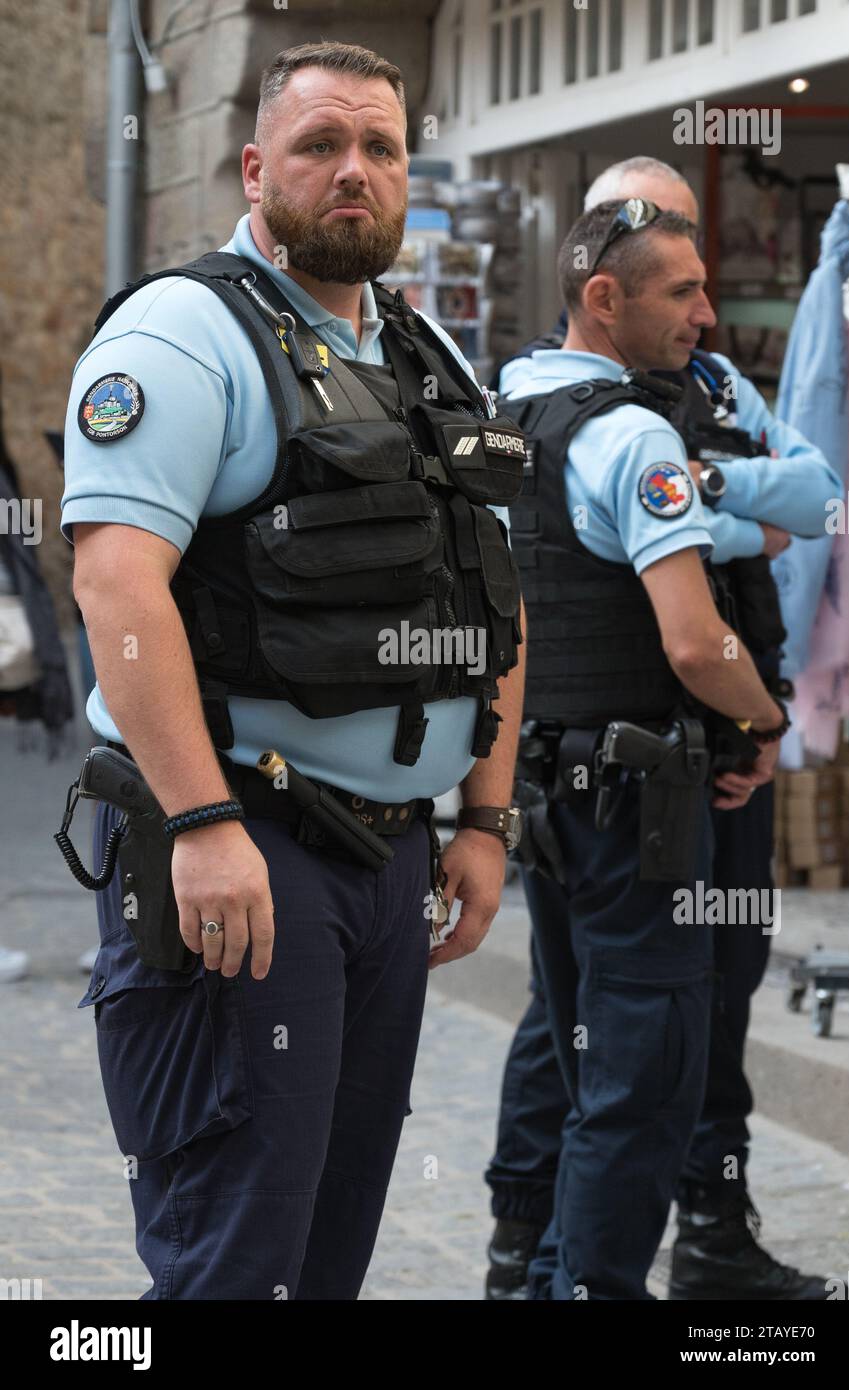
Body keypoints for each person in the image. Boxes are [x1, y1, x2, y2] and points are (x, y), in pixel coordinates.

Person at [60, 40, 527, 1301]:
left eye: (379, 147)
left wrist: (483, 819)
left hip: (389, 863)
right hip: (243, 848)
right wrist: (203, 818)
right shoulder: (182, 331)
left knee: (326, 1246)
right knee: (236, 1251)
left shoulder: (426, 357)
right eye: (320, 146)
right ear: (258, 166)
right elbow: (116, 584)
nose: (353, 173)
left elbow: (494, 602)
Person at [485, 159, 838, 1302]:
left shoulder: (521, 414)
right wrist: (764, 714)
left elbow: (808, 500)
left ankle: (552, 1271)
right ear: (602, 294)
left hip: (566, 786)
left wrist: (721, 502)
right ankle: (569, 1273)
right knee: (633, 1076)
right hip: (639, 799)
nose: (704, 312)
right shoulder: (628, 432)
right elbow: (692, 639)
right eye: (681, 286)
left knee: (621, 1048)